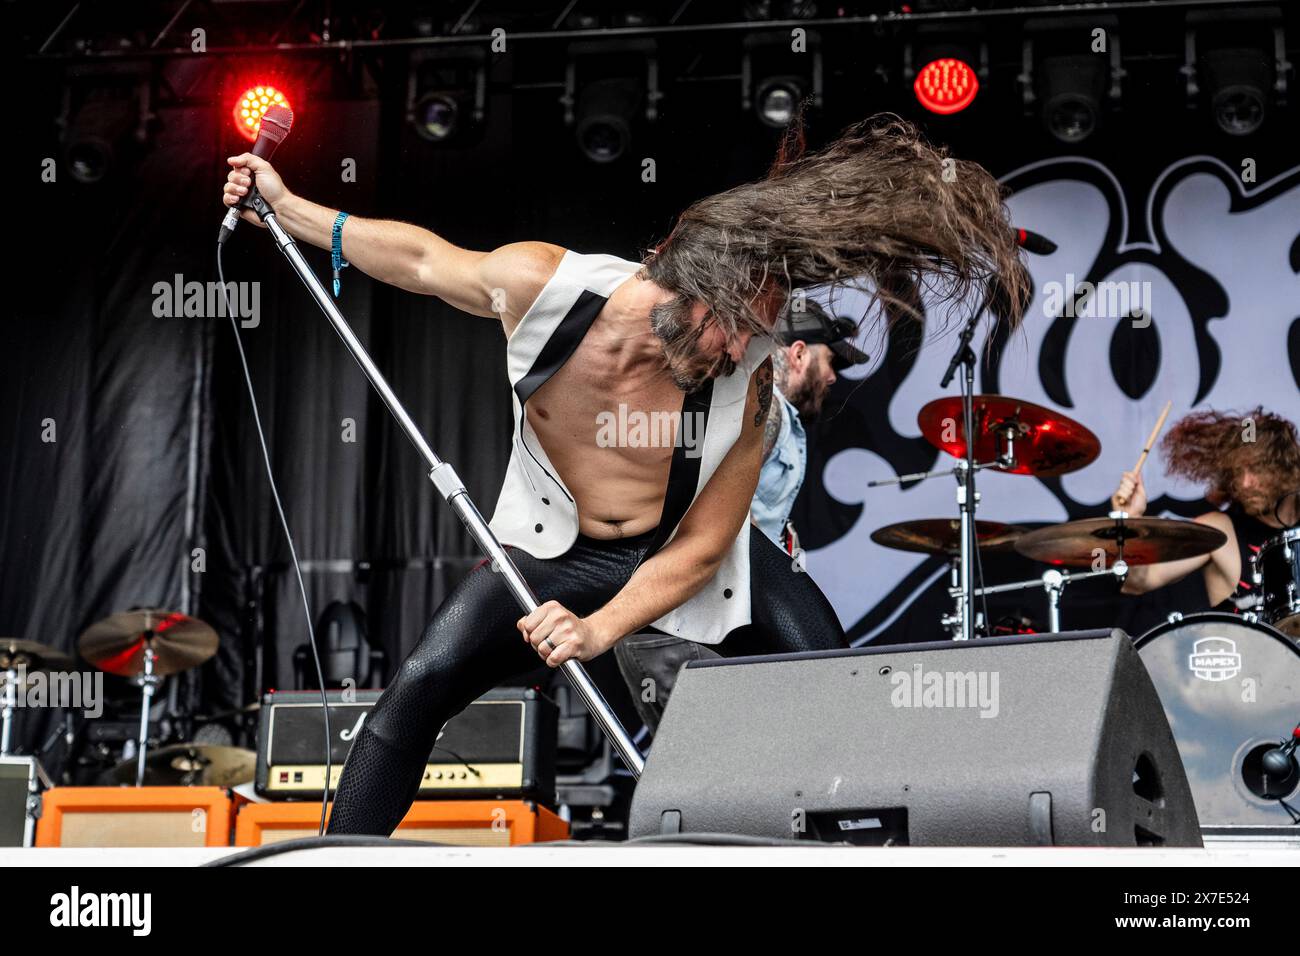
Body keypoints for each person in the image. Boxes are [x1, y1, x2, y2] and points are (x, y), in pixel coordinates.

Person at [221, 114, 1029, 835]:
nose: (738, 350)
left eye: (757, 335)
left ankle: (862, 852)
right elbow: (426, 262)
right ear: (683, 288)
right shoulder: (548, 289)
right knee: (415, 693)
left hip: (675, 553)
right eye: (732, 328)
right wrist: (286, 206)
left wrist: (598, 629)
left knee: (833, 677)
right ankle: (337, 863)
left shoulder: (744, 381)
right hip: (550, 550)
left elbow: (706, 550)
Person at [614, 297, 869, 734]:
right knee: (715, 776)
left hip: (694, 626)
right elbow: (708, 502)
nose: (831, 377)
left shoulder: (759, 407)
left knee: (728, 776)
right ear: (800, 353)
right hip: (683, 630)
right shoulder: (762, 407)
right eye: (829, 362)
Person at [1110, 407, 1300, 613]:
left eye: (1258, 469)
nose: (1245, 483)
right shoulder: (1219, 529)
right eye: (1238, 471)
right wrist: (1130, 519)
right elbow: (1137, 582)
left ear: (1287, 469)